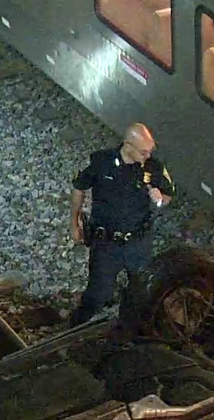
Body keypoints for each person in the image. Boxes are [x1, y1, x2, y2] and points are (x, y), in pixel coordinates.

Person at [69, 122, 173, 327]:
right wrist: (74, 222)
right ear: (128, 145)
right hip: (106, 243)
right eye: (143, 152)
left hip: (138, 242)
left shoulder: (154, 168)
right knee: (98, 292)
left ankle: (136, 328)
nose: (148, 156)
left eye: (150, 151)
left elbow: (168, 195)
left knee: (143, 289)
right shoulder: (101, 162)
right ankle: (78, 328)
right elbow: (79, 187)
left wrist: (160, 198)